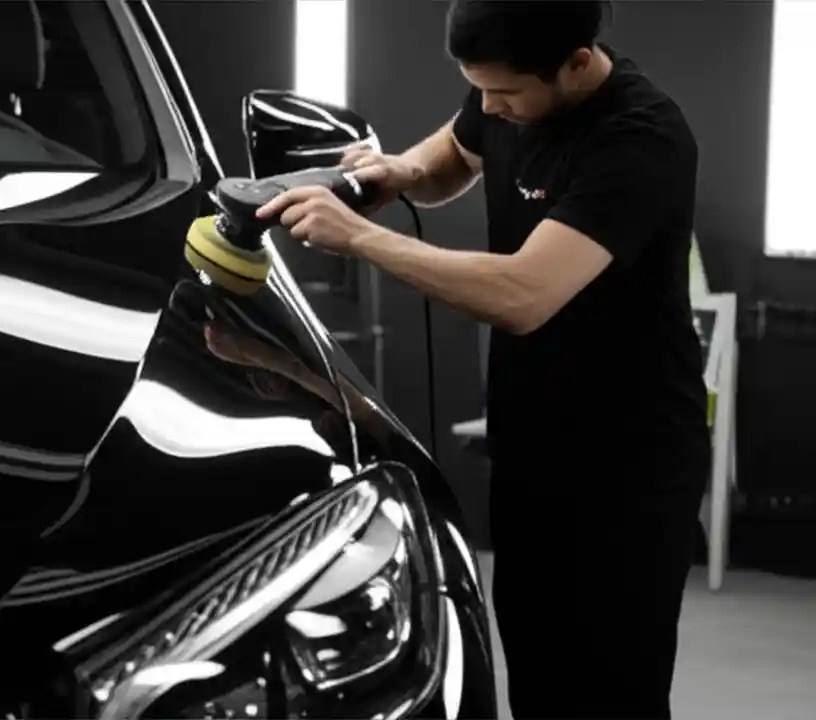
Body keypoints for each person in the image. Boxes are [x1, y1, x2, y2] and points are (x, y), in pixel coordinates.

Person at [255, 1, 710, 718]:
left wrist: (361, 237)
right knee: (537, 669)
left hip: (628, 464)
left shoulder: (640, 137)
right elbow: (450, 159)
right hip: (533, 441)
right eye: (479, 90)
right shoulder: (508, 90)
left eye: (504, 93)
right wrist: (401, 170)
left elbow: (524, 294)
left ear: (576, 63)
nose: (490, 108)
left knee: (613, 686)